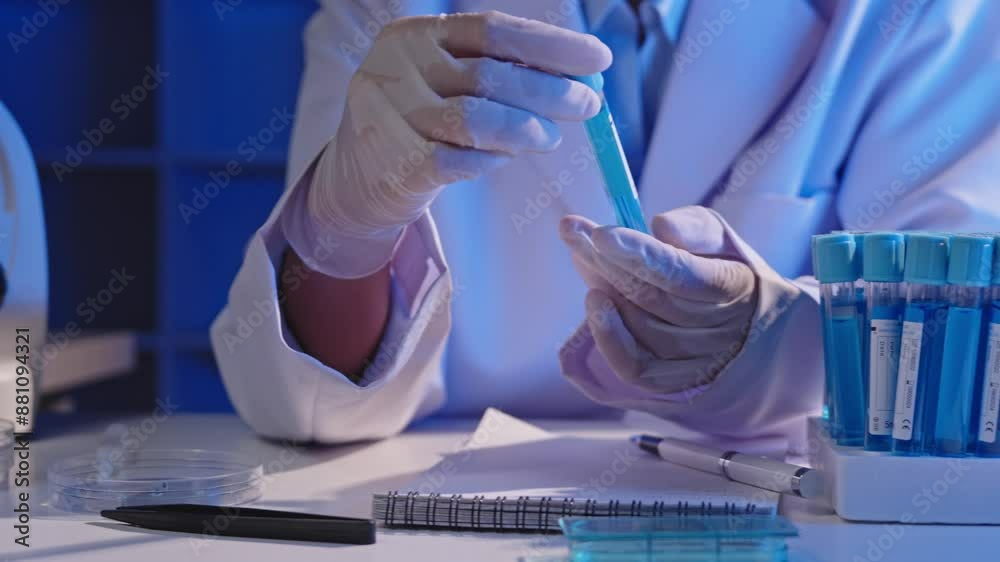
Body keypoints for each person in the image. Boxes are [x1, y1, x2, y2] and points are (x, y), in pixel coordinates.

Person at [211, 0, 1000, 447]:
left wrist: (785, 343)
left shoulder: (927, 15)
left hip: (779, 509)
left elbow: (960, 356)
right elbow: (312, 396)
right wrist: (343, 228)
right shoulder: (400, 12)